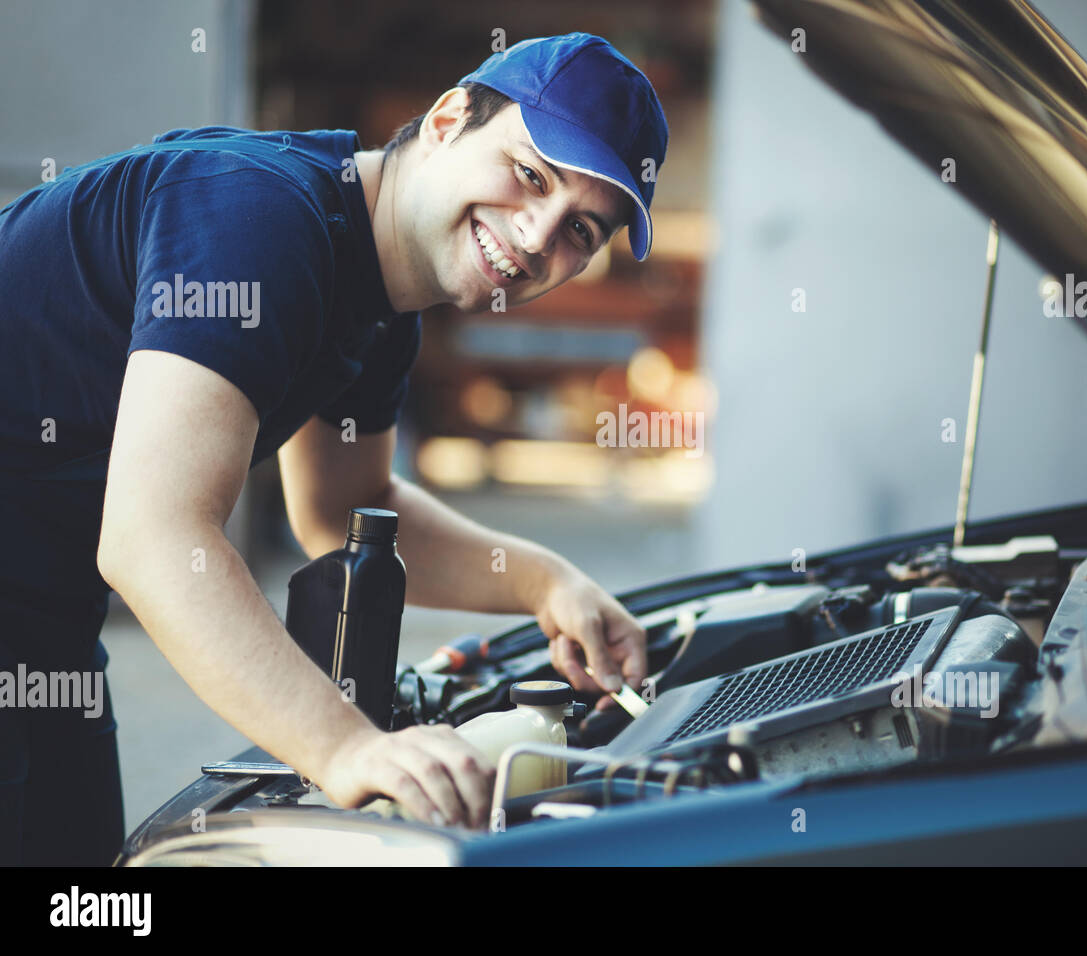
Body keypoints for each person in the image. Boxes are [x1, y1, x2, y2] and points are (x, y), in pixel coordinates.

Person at [0, 32, 668, 864]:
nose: (537, 238)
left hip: (43, 628)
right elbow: (153, 539)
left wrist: (546, 581)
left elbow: (343, 514)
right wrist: (345, 747)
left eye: (582, 230)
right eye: (530, 174)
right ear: (449, 117)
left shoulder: (382, 308)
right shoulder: (256, 220)